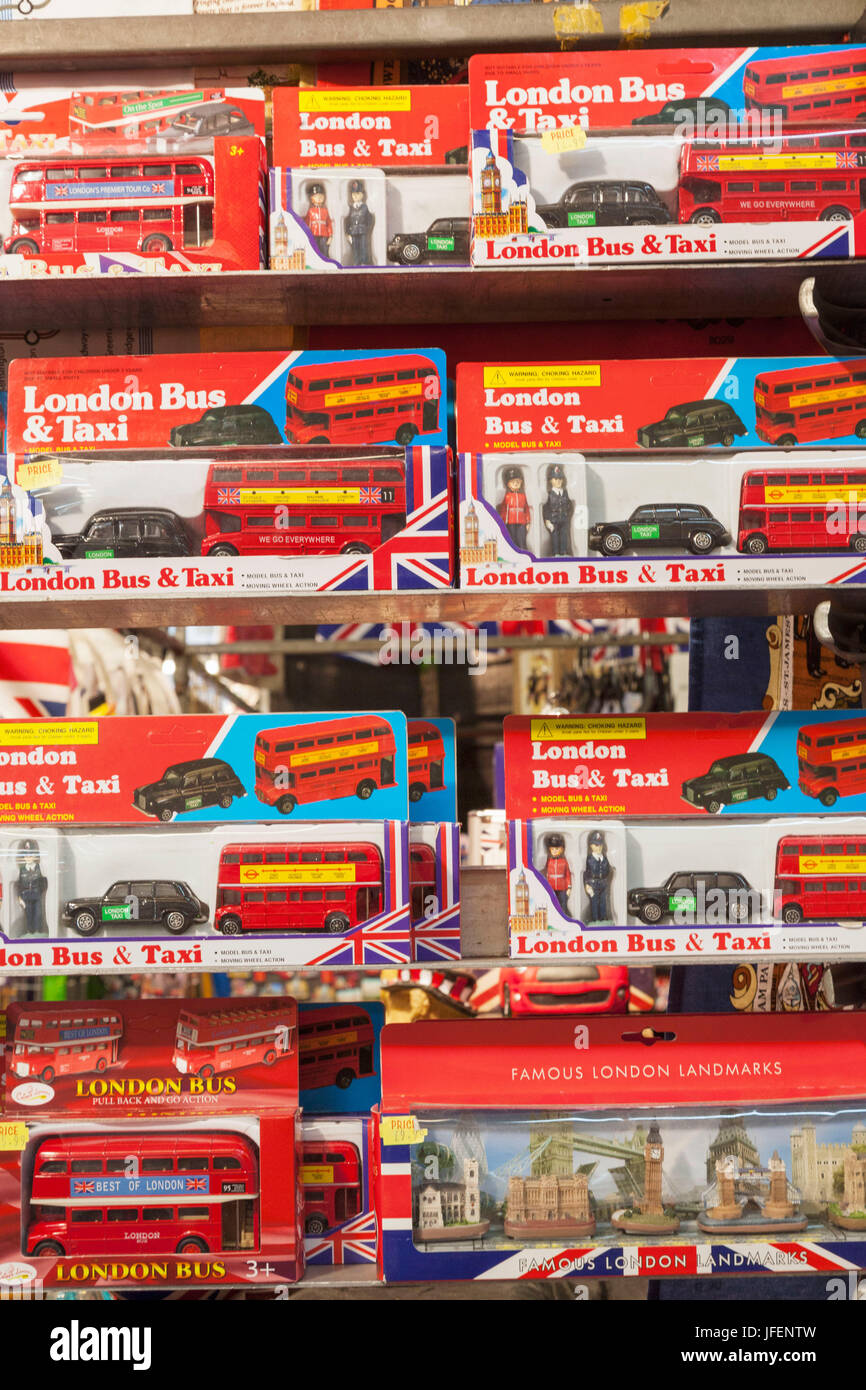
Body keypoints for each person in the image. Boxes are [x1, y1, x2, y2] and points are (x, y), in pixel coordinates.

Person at [542, 462, 575, 556]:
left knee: (564, 536)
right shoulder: (549, 494)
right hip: (554, 520)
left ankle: (563, 552)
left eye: (560, 479)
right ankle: (556, 553)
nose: (558, 481)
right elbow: (546, 508)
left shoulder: (565, 493)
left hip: (564, 519)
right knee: (555, 537)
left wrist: (568, 514)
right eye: (556, 479)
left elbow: (569, 505)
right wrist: (547, 520)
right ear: (550, 481)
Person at [16, 838, 47, 936]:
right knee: (28, 915)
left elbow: (44, 882)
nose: (28, 858)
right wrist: (20, 898)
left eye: (30, 855)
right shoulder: (22, 870)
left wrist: (40, 891)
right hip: (26, 896)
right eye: (26, 856)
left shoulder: (39, 868)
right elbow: (19, 885)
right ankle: (30, 932)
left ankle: (38, 932)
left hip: (37, 895)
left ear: (34, 856)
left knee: (38, 914)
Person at [498, 467, 531, 550]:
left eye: (517, 482)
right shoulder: (506, 497)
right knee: (512, 538)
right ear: (508, 484)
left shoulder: (523, 496)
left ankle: (523, 550)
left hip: (522, 521)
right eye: (513, 482)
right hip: (510, 522)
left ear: (521, 483)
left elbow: (526, 509)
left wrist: (528, 521)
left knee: (522, 539)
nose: (515, 484)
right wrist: (502, 521)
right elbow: (503, 510)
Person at [583, 829, 612, 923]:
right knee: (594, 902)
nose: (598, 848)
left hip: (603, 883)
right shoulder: (589, 859)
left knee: (603, 902)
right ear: (591, 846)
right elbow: (586, 872)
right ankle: (595, 919)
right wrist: (587, 884)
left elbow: (607, 870)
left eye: (600, 845)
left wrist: (605, 879)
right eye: (596, 845)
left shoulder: (604, 858)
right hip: (593, 883)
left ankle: (603, 918)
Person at [345, 180, 374, 266]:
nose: (355, 196)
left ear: (362, 194)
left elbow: (369, 219)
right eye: (353, 194)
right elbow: (348, 221)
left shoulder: (365, 207)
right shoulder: (350, 208)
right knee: (355, 248)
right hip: (353, 232)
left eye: (358, 194)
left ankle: (364, 262)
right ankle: (356, 262)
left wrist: (367, 228)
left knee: (364, 247)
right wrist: (347, 232)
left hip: (363, 231)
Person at [543, 833, 571, 915]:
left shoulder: (564, 861)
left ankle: (564, 916)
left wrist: (569, 887)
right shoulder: (548, 861)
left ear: (562, 849)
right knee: (552, 903)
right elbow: (545, 873)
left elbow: (567, 874)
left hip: (562, 887)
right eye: (552, 849)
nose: (554, 851)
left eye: (557, 849)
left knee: (563, 903)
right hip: (551, 886)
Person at [303, 183, 334, 258]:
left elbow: (328, 223)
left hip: (324, 234)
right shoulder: (310, 211)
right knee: (314, 250)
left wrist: (330, 235)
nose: (319, 198)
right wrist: (307, 234)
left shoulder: (325, 211)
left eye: (321, 196)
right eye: (316, 196)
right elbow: (307, 223)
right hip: (314, 234)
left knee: (324, 249)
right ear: (312, 198)